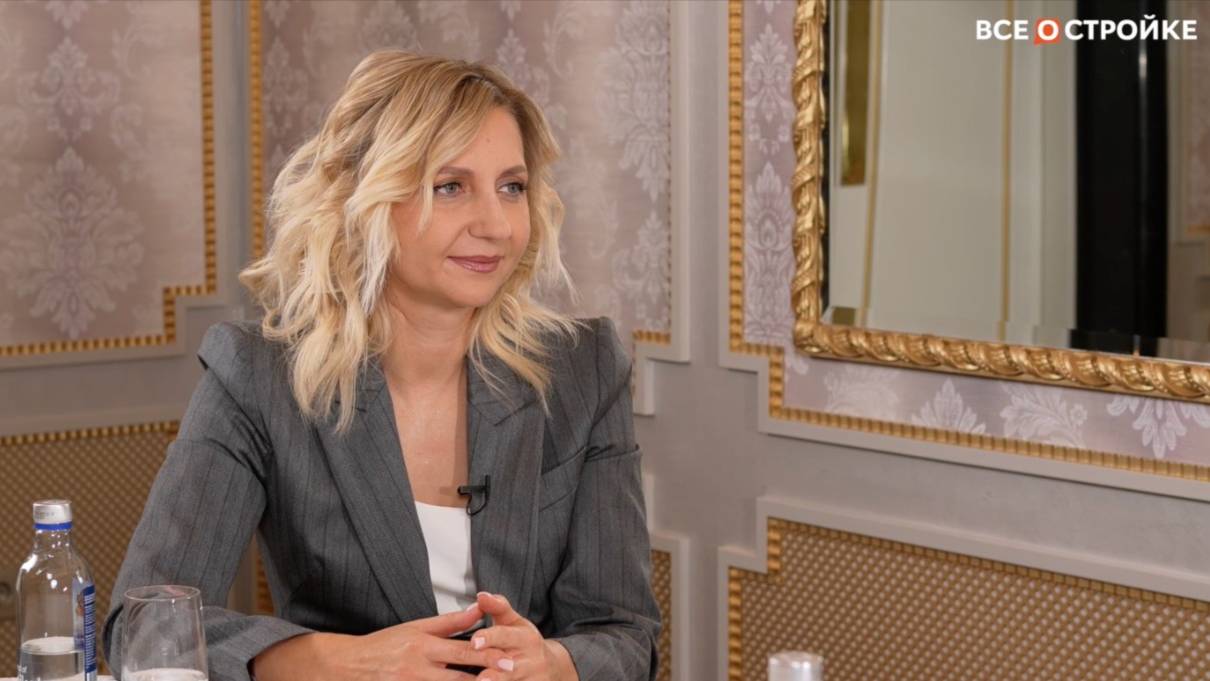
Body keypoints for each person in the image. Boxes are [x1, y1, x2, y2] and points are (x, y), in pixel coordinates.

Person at [102, 51, 660, 681]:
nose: (497, 225)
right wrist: (347, 661)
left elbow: (624, 634)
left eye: (512, 187)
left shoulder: (584, 369)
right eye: (449, 187)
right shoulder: (257, 378)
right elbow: (142, 629)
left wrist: (555, 663)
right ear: (365, 200)